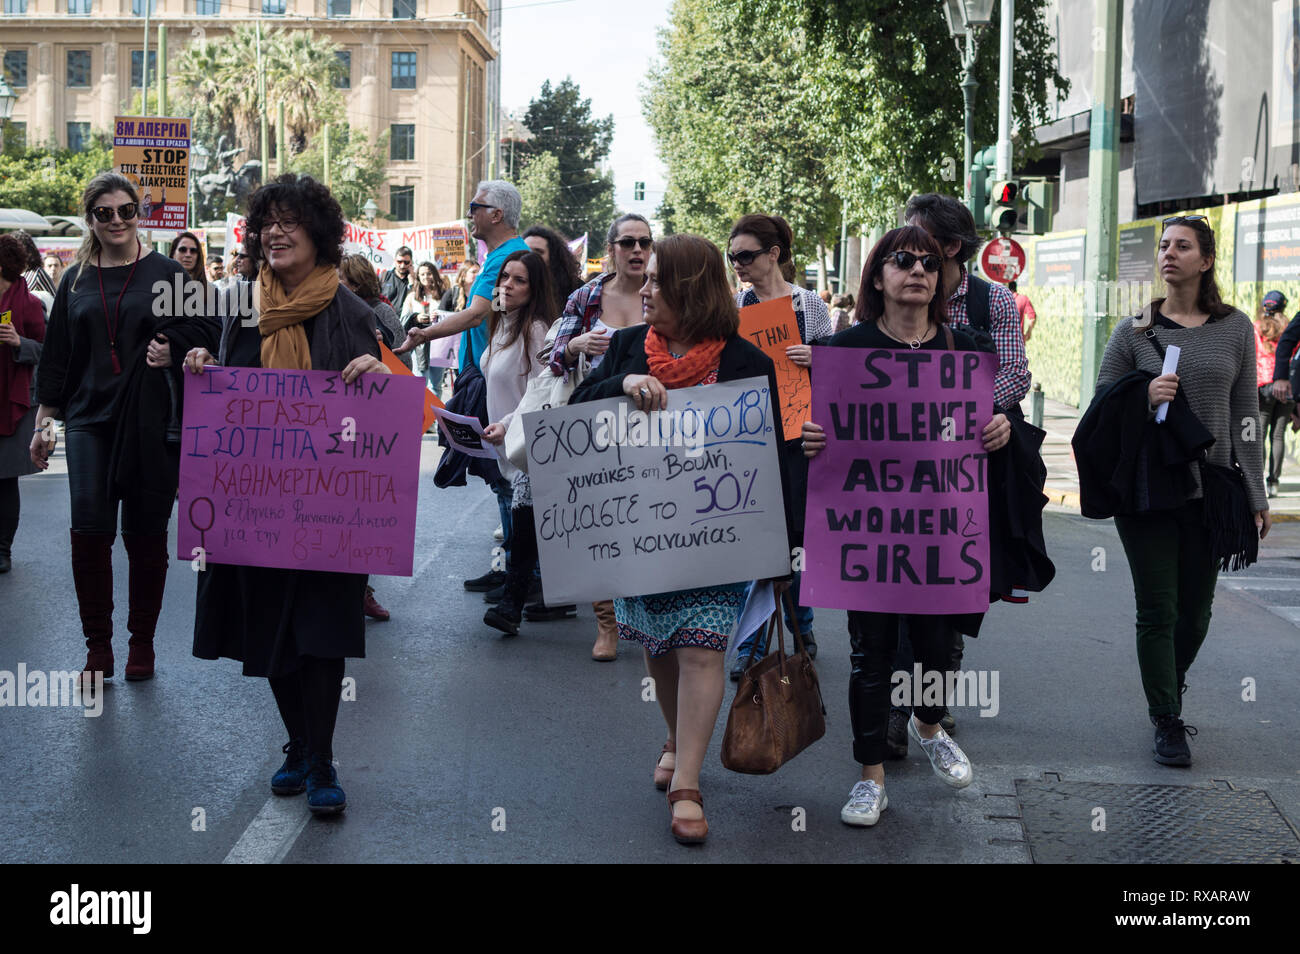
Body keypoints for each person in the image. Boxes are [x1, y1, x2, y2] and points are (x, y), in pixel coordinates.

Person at [570, 234, 791, 845]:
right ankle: (675, 735)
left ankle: (688, 782)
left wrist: (784, 548)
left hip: (721, 540)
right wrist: (621, 385)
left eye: (658, 281)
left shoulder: (748, 364)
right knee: (661, 647)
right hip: (640, 534)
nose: (645, 290)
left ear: (692, 289)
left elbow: (774, 456)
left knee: (701, 648)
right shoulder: (620, 348)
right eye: (646, 280)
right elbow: (574, 411)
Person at [184, 173, 390, 816]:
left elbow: (385, 419)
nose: (274, 231)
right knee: (268, 629)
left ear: (319, 234)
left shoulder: (353, 314)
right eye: (267, 221)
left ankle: (323, 756)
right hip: (257, 510)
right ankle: (297, 743)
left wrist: (379, 376)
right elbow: (231, 401)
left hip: (329, 510)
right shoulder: (241, 311)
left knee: (321, 634)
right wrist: (206, 373)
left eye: (289, 220)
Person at [801, 226, 1010, 827]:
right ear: (877, 275)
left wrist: (1000, 428)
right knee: (871, 655)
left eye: (928, 262)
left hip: (942, 530)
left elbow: (994, 421)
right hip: (868, 533)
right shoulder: (844, 351)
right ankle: (870, 778)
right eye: (902, 260)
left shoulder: (965, 349)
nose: (917, 270)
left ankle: (927, 722)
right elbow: (804, 428)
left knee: (940, 649)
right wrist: (807, 438)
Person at [1094, 215, 1267, 767]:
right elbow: (1101, 409)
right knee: (1159, 609)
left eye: (1182, 246)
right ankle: (1167, 718)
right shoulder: (1134, 331)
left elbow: (1246, 414)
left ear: (1207, 259)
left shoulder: (1237, 328)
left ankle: (1169, 682)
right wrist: (1144, 395)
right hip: (1148, 492)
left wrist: (1257, 493)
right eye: (1164, 245)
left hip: (1213, 489)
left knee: (1196, 614)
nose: (1169, 253)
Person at [30, 171, 209, 684]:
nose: (116, 220)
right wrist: (45, 421)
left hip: (150, 420)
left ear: (140, 213)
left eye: (125, 211)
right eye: (104, 212)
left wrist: (175, 349)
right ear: (91, 219)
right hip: (88, 421)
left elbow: (205, 333)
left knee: (145, 535)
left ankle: (141, 644)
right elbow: (59, 356)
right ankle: (97, 647)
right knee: (89, 533)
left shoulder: (169, 274)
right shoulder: (76, 279)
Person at [894, 192, 1026, 751]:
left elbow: (1013, 374)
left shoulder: (991, 303)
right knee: (892, 589)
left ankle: (930, 706)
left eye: (920, 245)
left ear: (949, 248)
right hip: (895, 479)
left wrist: (982, 415)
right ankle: (890, 718)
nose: (909, 260)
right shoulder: (886, 295)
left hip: (964, 481)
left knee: (951, 596)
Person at [396, 180, 529, 595]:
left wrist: (425, 333)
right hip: (487, 374)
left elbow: (476, 315)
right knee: (499, 475)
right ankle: (512, 567)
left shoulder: (509, 255)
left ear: (497, 214)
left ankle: (519, 575)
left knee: (506, 476)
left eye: (476, 206)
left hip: (499, 380)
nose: (469, 212)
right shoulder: (499, 255)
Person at [726, 213, 832, 680]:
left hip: (799, 437)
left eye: (746, 256)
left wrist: (819, 358)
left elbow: (841, 374)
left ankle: (800, 627)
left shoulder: (809, 306)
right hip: (749, 435)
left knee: (794, 539)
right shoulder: (734, 307)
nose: (739, 266)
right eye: (733, 258)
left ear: (774, 255)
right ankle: (753, 643)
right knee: (756, 539)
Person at [548, 213, 654, 659]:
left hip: (654, 423)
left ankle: (647, 618)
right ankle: (606, 625)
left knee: (649, 521)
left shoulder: (664, 292)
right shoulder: (587, 296)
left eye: (645, 243)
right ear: (610, 249)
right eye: (627, 242)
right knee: (599, 522)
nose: (637, 251)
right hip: (595, 421)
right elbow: (553, 358)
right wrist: (575, 347)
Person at [477, 250, 554, 635]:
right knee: (530, 528)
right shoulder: (503, 323)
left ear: (534, 288)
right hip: (507, 442)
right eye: (505, 276)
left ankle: (512, 605)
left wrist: (507, 424)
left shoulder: (536, 329)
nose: (507, 284)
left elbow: (544, 391)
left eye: (518, 280)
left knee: (524, 529)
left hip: (532, 442)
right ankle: (551, 597)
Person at [0, 234, 47, 574]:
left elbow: (49, 352)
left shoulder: (29, 304)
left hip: (12, 398)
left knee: (4, 479)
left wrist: (20, 342)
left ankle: (2, 550)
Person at [339, 253, 408, 368]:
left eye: (340, 278)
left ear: (356, 284)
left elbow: (404, 362)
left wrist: (380, 346)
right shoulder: (333, 311)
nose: (334, 283)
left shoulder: (382, 311)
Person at [1255, 292, 1290, 497]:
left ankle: (1258, 480)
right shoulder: (1290, 327)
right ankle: (1273, 483)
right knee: (1278, 435)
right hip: (1287, 387)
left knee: (1259, 435)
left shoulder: (1256, 327)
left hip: (1263, 386)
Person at [402, 262, 449, 394]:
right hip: (420, 346)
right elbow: (403, 319)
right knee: (420, 383)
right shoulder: (412, 297)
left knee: (436, 385)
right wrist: (416, 318)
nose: (426, 277)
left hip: (439, 343)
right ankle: (421, 413)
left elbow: (453, 315)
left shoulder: (444, 295)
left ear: (434, 274)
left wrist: (439, 315)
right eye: (422, 274)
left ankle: (434, 414)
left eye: (428, 273)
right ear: (418, 276)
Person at [522, 224, 583, 317]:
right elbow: (500, 312)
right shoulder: (508, 283)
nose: (530, 256)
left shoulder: (576, 289)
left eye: (538, 252)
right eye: (526, 251)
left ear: (553, 256)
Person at [380, 246, 415, 314]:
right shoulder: (384, 276)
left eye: (406, 262)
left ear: (411, 262)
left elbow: (416, 300)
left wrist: (412, 280)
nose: (402, 266)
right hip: (386, 319)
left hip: (406, 321)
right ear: (395, 260)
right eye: (399, 262)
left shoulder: (415, 279)